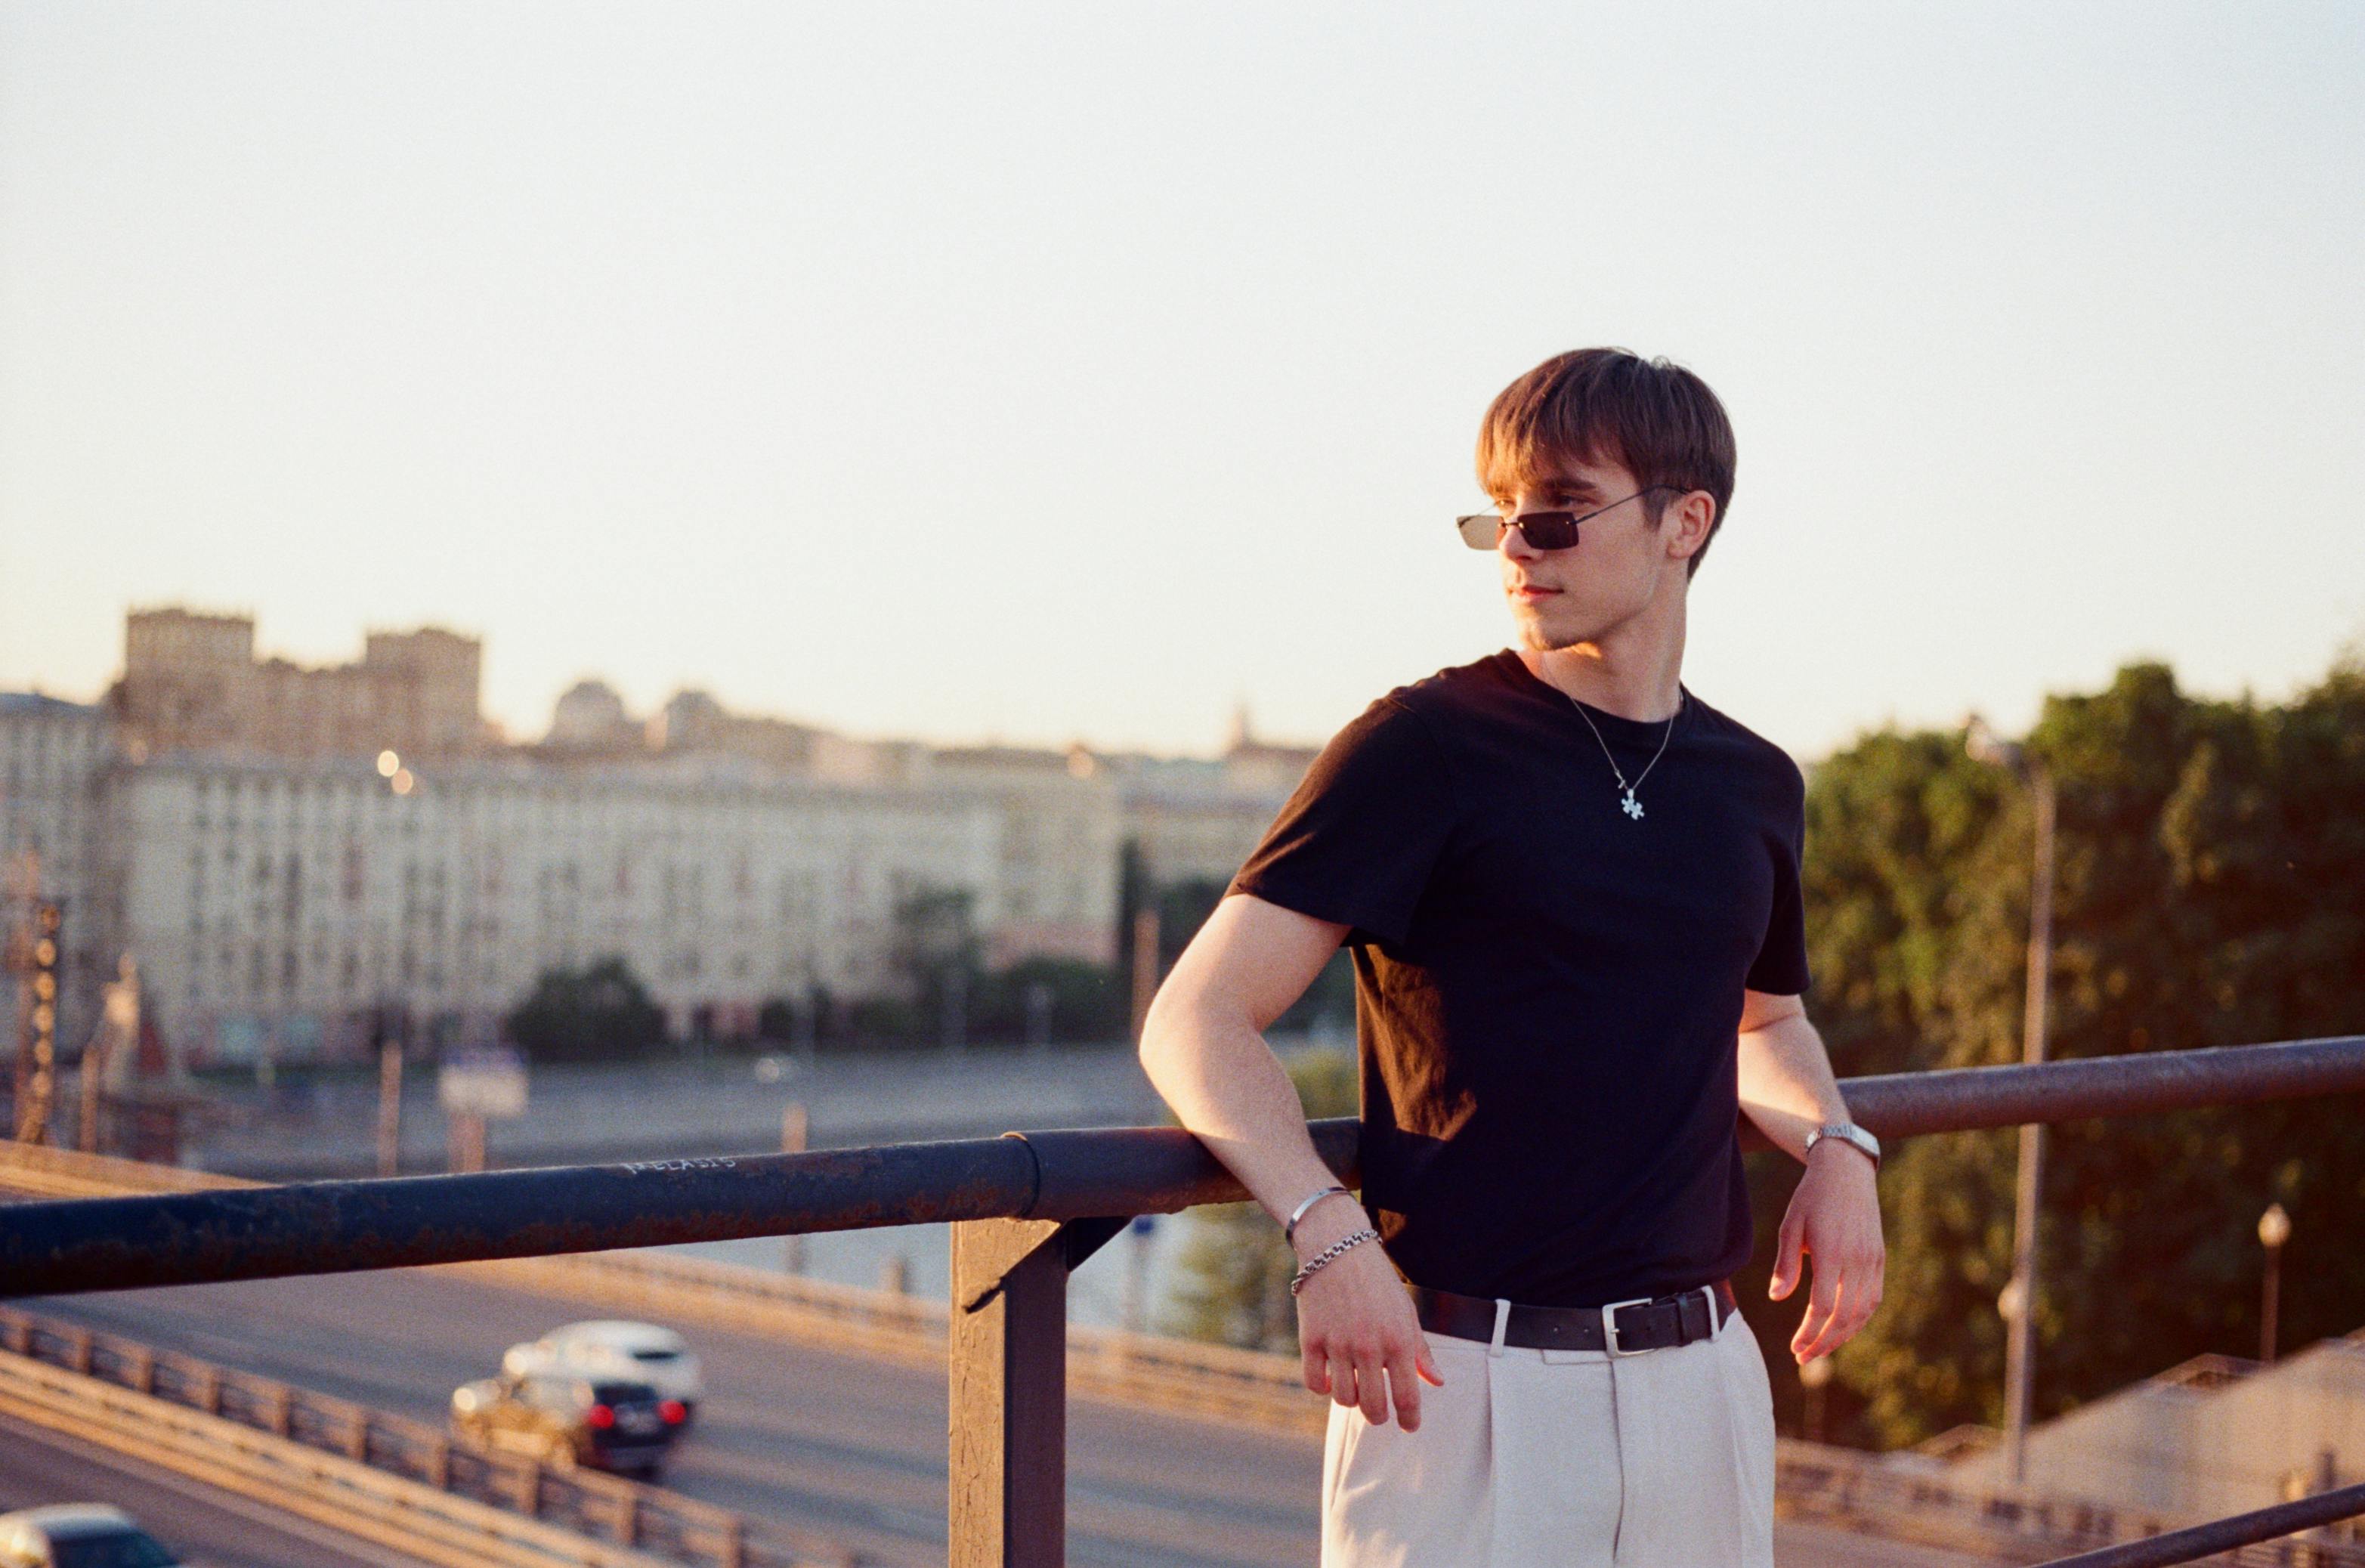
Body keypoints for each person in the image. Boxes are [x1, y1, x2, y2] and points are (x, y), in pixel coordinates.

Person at [1137, 348, 1887, 1566]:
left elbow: (1763, 1023)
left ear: (1683, 521)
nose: (1516, 551)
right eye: (1495, 522)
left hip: (1702, 1384)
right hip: (1463, 1390)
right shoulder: (1422, 746)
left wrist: (1836, 1144)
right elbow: (1195, 1020)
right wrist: (1325, 1232)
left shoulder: (1753, 784)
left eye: (1552, 515)